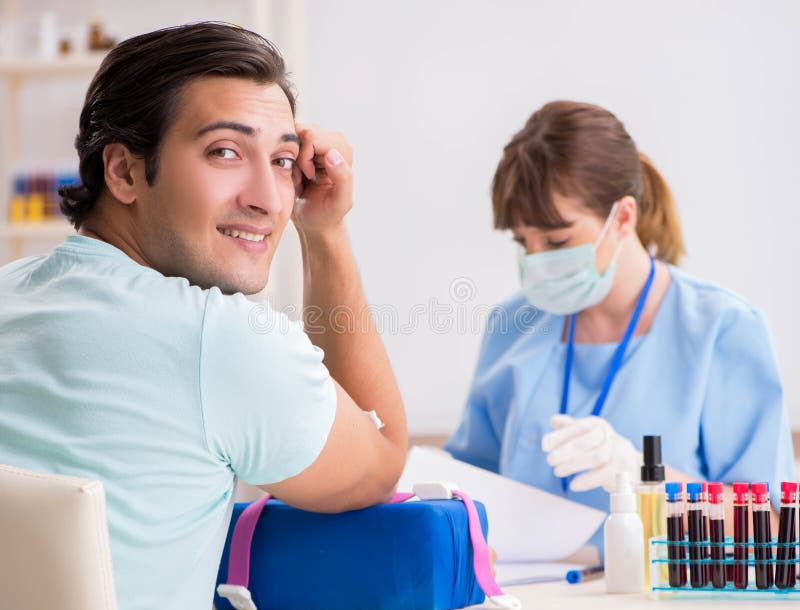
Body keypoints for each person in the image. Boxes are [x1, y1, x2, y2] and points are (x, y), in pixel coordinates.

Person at [0, 23, 407, 610]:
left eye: (284, 160)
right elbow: (381, 460)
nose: (268, 198)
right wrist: (328, 234)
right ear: (123, 172)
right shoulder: (218, 338)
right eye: (224, 152)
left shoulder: (13, 294)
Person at [445, 100, 794, 553]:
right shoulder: (513, 326)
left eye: (556, 240)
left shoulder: (721, 329)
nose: (536, 261)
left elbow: (770, 525)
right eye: (522, 241)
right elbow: (467, 491)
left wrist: (641, 473)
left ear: (623, 217)